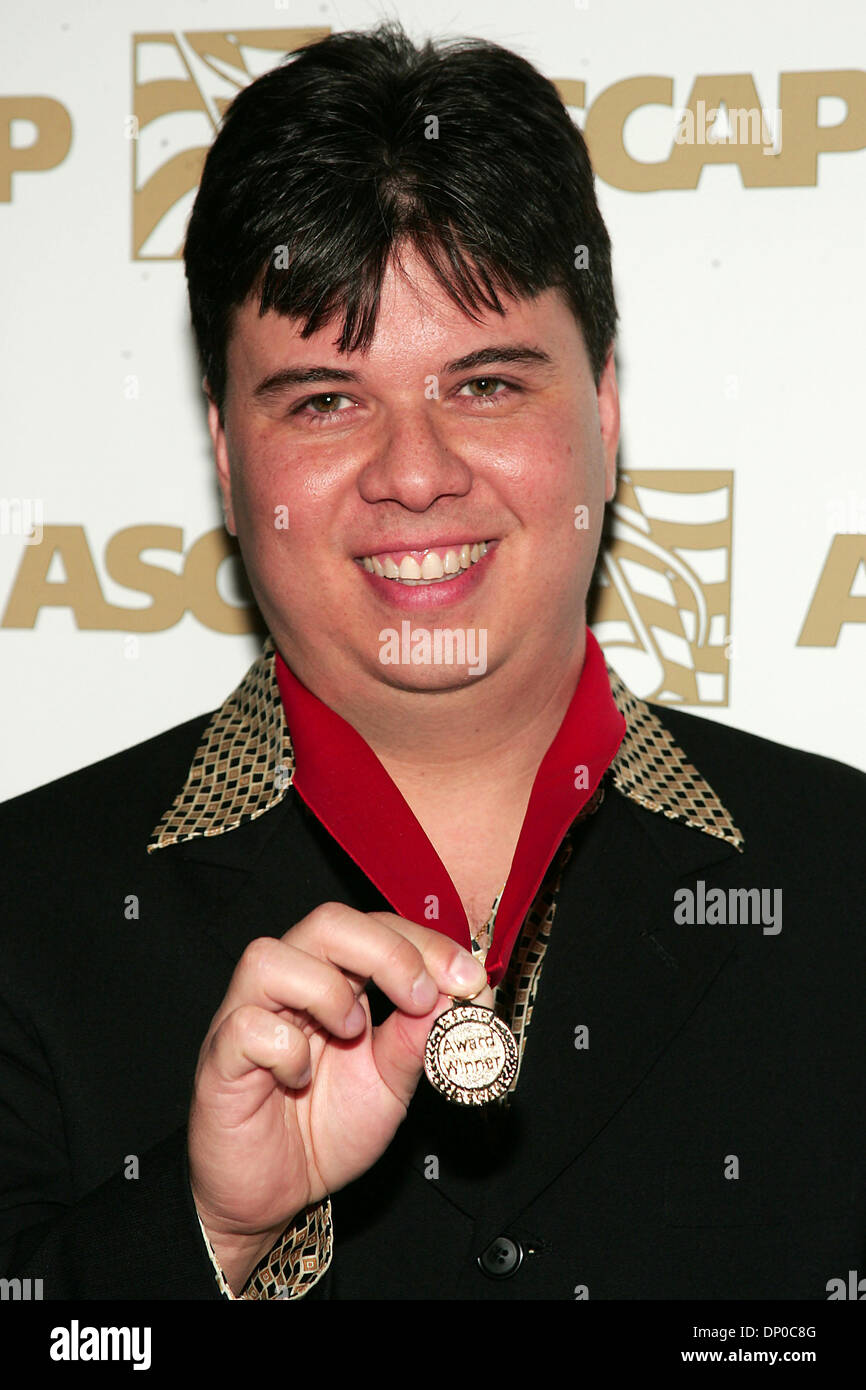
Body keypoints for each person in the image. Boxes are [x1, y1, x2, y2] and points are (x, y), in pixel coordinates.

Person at [1, 21, 864, 1303]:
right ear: (229, 460)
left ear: (605, 417)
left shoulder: (841, 874)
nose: (415, 475)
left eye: (485, 384)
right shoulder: (23, 912)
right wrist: (200, 1238)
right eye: (324, 400)